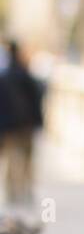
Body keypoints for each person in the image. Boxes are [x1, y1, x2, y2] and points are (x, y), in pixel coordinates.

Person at [0, 39, 45, 211]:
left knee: (12, 160)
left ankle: (13, 192)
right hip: (26, 126)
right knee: (27, 159)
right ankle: (26, 190)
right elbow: (36, 101)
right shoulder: (26, 75)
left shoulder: (3, 78)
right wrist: (39, 122)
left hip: (9, 127)